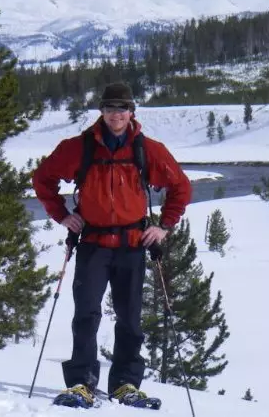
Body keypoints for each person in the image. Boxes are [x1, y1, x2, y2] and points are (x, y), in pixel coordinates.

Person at [32, 82, 192, 407]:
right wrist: (63, 216)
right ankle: (81, 383)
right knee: (86, 315)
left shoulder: (147, 150)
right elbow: (42, 179)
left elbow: (181, 187)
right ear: (101, 112)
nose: (116, 115)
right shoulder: (80, 148)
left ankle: (125, 385)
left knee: (130, 317)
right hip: (93, 243)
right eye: (110, 108)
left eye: (122, 109)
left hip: (132, 244)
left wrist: (163, 226)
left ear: (131, 112)